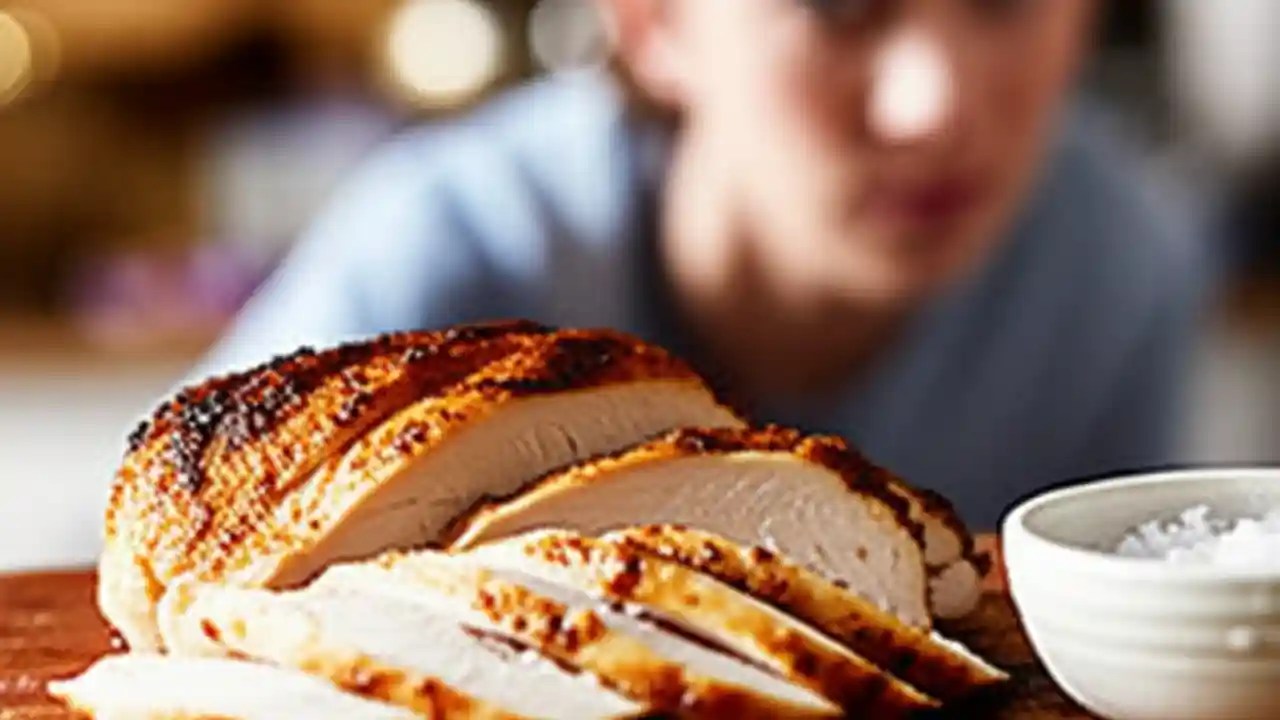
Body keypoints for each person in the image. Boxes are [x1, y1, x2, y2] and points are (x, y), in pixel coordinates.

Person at [202, 0, 1212, 527]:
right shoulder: (442, 266)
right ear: (654, 25)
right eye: (836, 4)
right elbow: (162, 599)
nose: (932, 104)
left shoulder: (1116, 265)